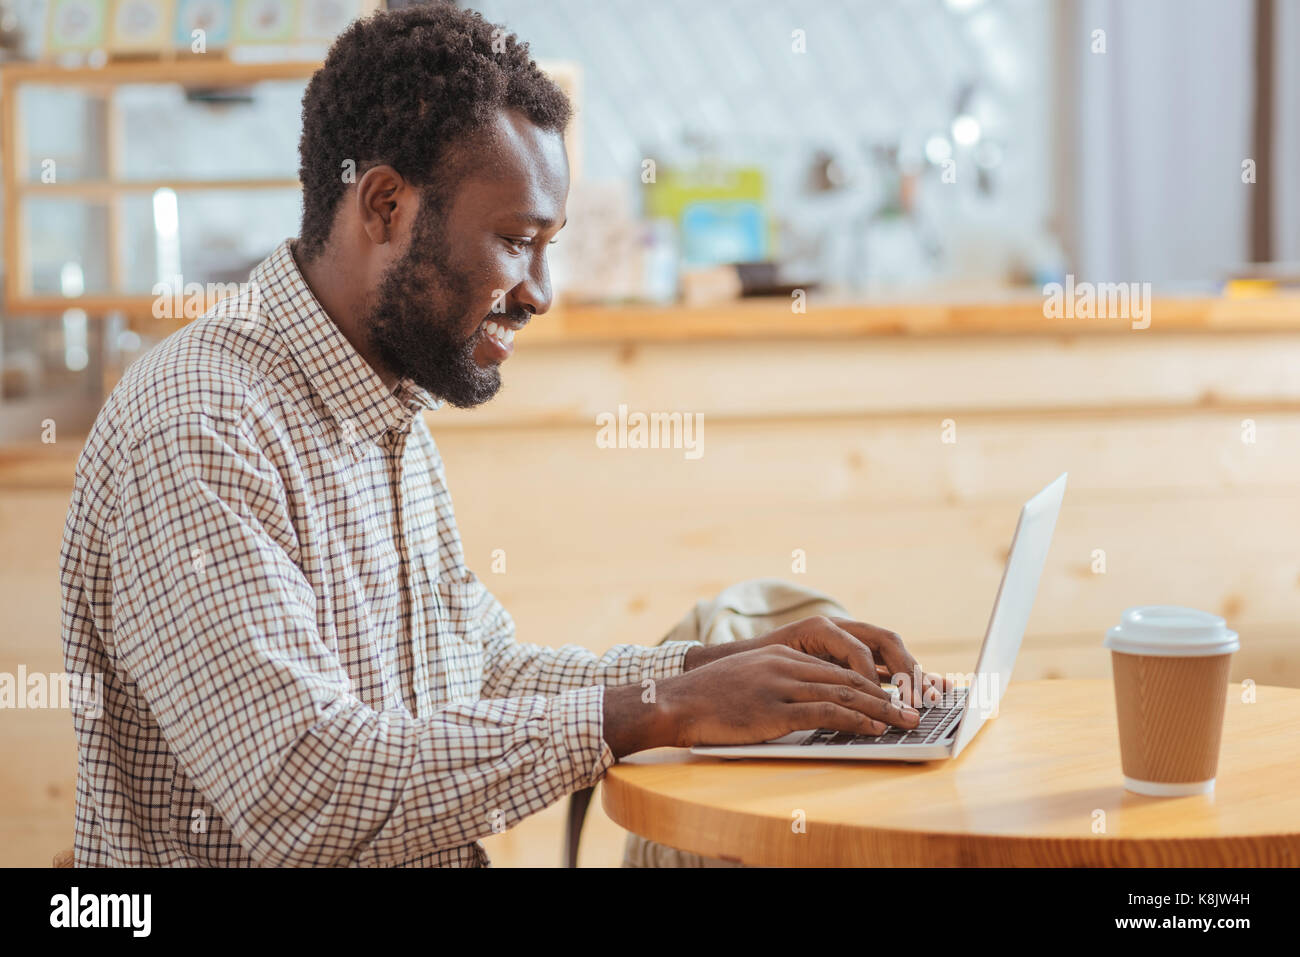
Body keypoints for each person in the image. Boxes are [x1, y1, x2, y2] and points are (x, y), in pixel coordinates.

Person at [58, 1, 947, 867]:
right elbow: (304, 789)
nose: (540, 292)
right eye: (518, 240)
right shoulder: (199, 423)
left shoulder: (384, 401)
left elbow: (475, 674)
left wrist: (729, 669)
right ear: (384, 206)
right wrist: (660, 708)